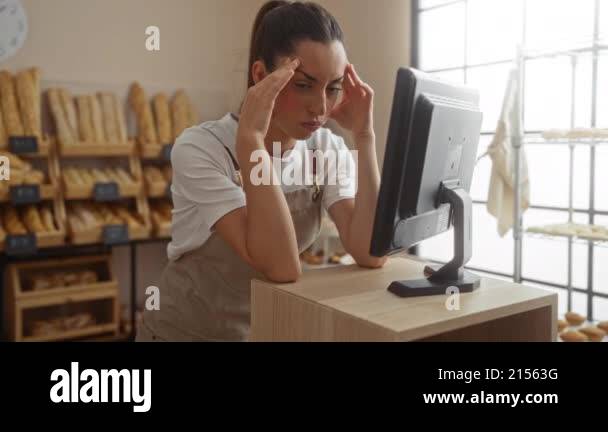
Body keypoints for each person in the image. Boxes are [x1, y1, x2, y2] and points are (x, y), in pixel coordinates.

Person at [137, 0, 387, 342]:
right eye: (303, 85)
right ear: (260, 76)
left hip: (263, 332)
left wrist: (364, 136)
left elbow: (370, 251)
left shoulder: (324, 149)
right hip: (182, 333)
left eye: (333, 88)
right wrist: (252, 142)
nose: (321, 107)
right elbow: (281, 266)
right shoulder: (202, 148)